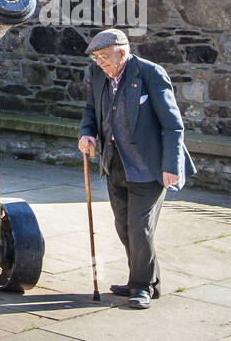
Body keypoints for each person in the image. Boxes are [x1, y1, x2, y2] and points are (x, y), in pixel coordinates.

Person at [77, 28, 195, 310]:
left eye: (104, 57)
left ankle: (142, 286)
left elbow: (173, 124)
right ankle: (141, 279)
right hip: (114, 163)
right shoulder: (97, 76)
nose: (100, 63)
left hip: (148, 166)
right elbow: (91, 110)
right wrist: (86, 133)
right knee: (124, 226)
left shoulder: (150, 73)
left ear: (122, 52)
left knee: (140, 228)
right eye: (96, 58)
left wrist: (171, 166)